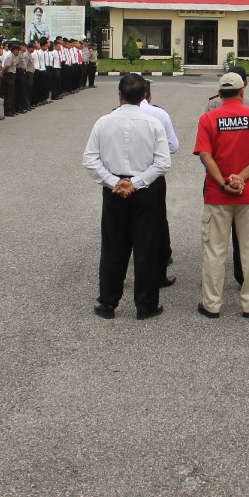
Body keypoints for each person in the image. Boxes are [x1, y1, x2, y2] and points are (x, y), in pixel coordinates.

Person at [83, 73, 172, 320]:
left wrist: (115, 181)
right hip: (145, 191)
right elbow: (163, 163)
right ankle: (146, 306)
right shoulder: (153, 124)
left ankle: (108, 303)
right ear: (144, 96)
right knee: (146, 248)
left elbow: (90, 160)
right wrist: (137, 182)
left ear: (120, 95)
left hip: (115, 191)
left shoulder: (103, 122)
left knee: (113, 247)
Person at [194, 71, 249, 319]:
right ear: (242, 93)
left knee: (214, 251)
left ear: (219, 94)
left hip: (218, 196)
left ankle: (212, 305)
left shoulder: (208, 118)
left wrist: (223, 183)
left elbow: (205, 155)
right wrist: (241, 177)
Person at [139, 80, 179, 288]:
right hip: (152, 176)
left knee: (119, 230)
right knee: (156, 222)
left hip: (119, 181)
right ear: (149, 96)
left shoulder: (110, 116)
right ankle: (160, 267)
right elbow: (173, 146)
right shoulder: (159, 114)